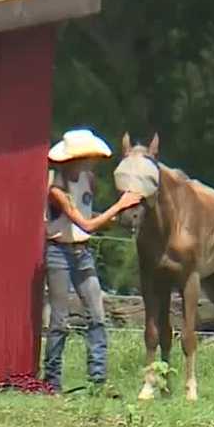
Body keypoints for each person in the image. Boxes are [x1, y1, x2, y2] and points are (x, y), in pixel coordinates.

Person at [42, 128, 142, 394]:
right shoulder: (57, 190)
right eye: (87, 158)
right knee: (60, 319)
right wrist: (119, 206)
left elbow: (89, 217)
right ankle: (52, 381)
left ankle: (98, 379)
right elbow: (85, 224)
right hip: (59, 253)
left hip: (81, 252)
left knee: (97, 314)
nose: (91, 162)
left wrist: (110, 218)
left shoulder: (88, 180)